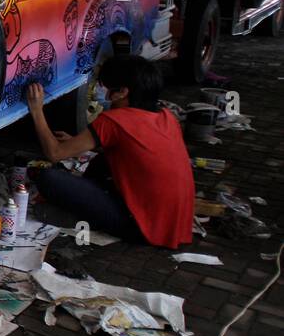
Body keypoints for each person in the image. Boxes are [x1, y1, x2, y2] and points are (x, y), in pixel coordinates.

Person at [25, 55, 193, 248]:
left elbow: (54, 153)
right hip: (175, 227)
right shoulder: (167, 117)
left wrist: (36, 110)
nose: (102, 94)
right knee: (103, 160)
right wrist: (76, 142)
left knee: (49, 178)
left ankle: (83, 216)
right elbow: (131, 146)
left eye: (105, 87)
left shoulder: (114, 120)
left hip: (140, 228)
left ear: (122, 92)